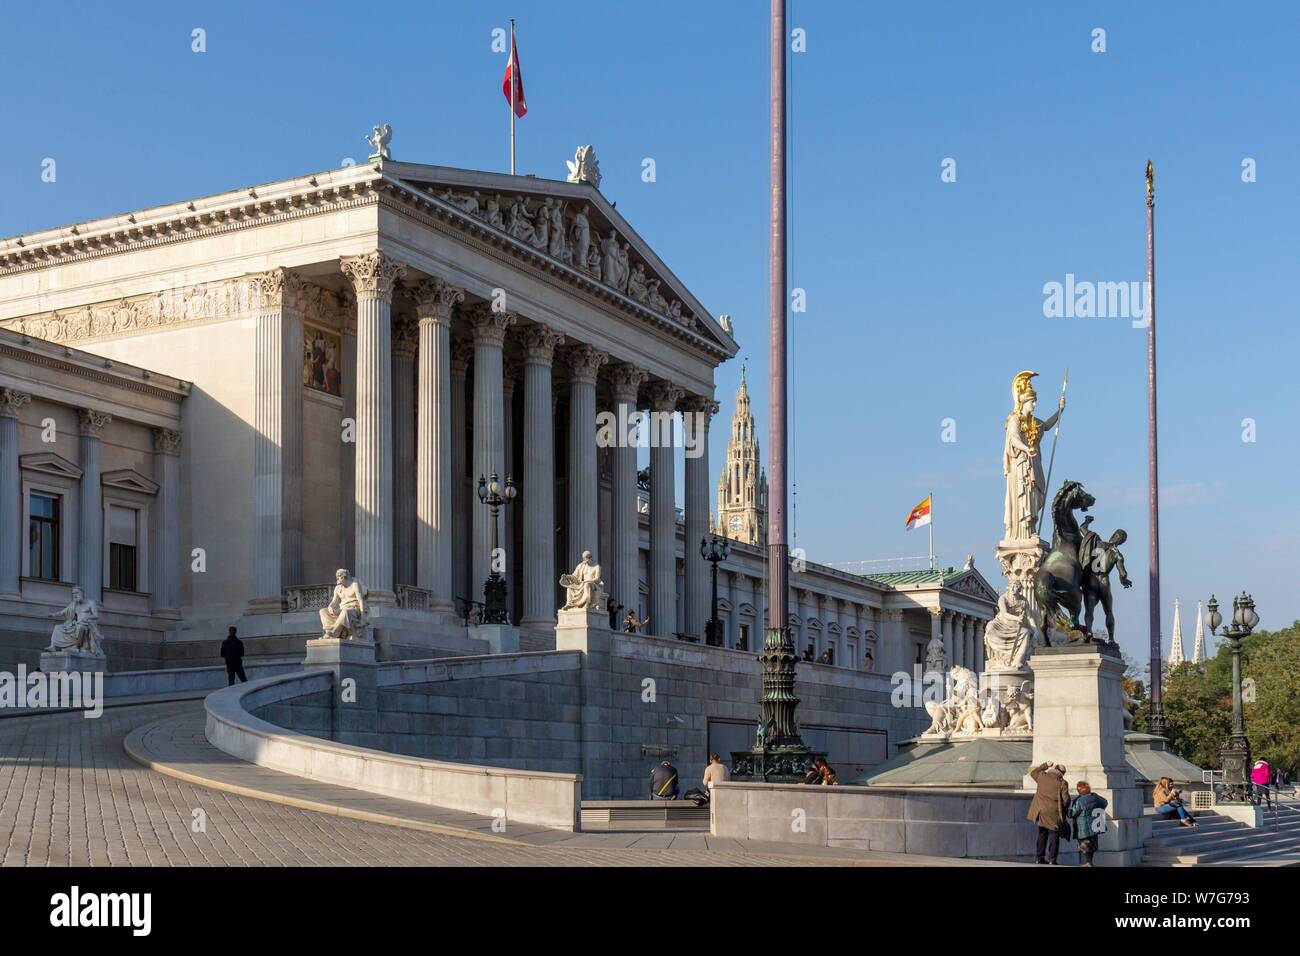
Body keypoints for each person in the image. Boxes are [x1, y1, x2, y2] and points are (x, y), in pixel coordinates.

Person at [1027, 761, 1071, 864]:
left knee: (1042, 834)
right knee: (1054, 835)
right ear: (1062, 773)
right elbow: (1066, 801)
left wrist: (1045, 765)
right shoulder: (1062, 782)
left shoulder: (1042, 776)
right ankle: (1052, 859)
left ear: (1054, 768)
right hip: (1054, 813)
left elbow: (1033, 772)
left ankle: (1039, 857)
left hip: (1040, 811)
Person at [1066, 780, 1108, 867]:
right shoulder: (1096, 797)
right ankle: (1089, 862)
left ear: (1080, 791)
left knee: (1084, 845)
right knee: (1092, 846)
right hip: (1094, 826)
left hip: (1083, 827)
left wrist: (1066, 810)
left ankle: (1088, 863)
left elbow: (1072, 814)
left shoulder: (1080, 801)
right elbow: (1105, 802)